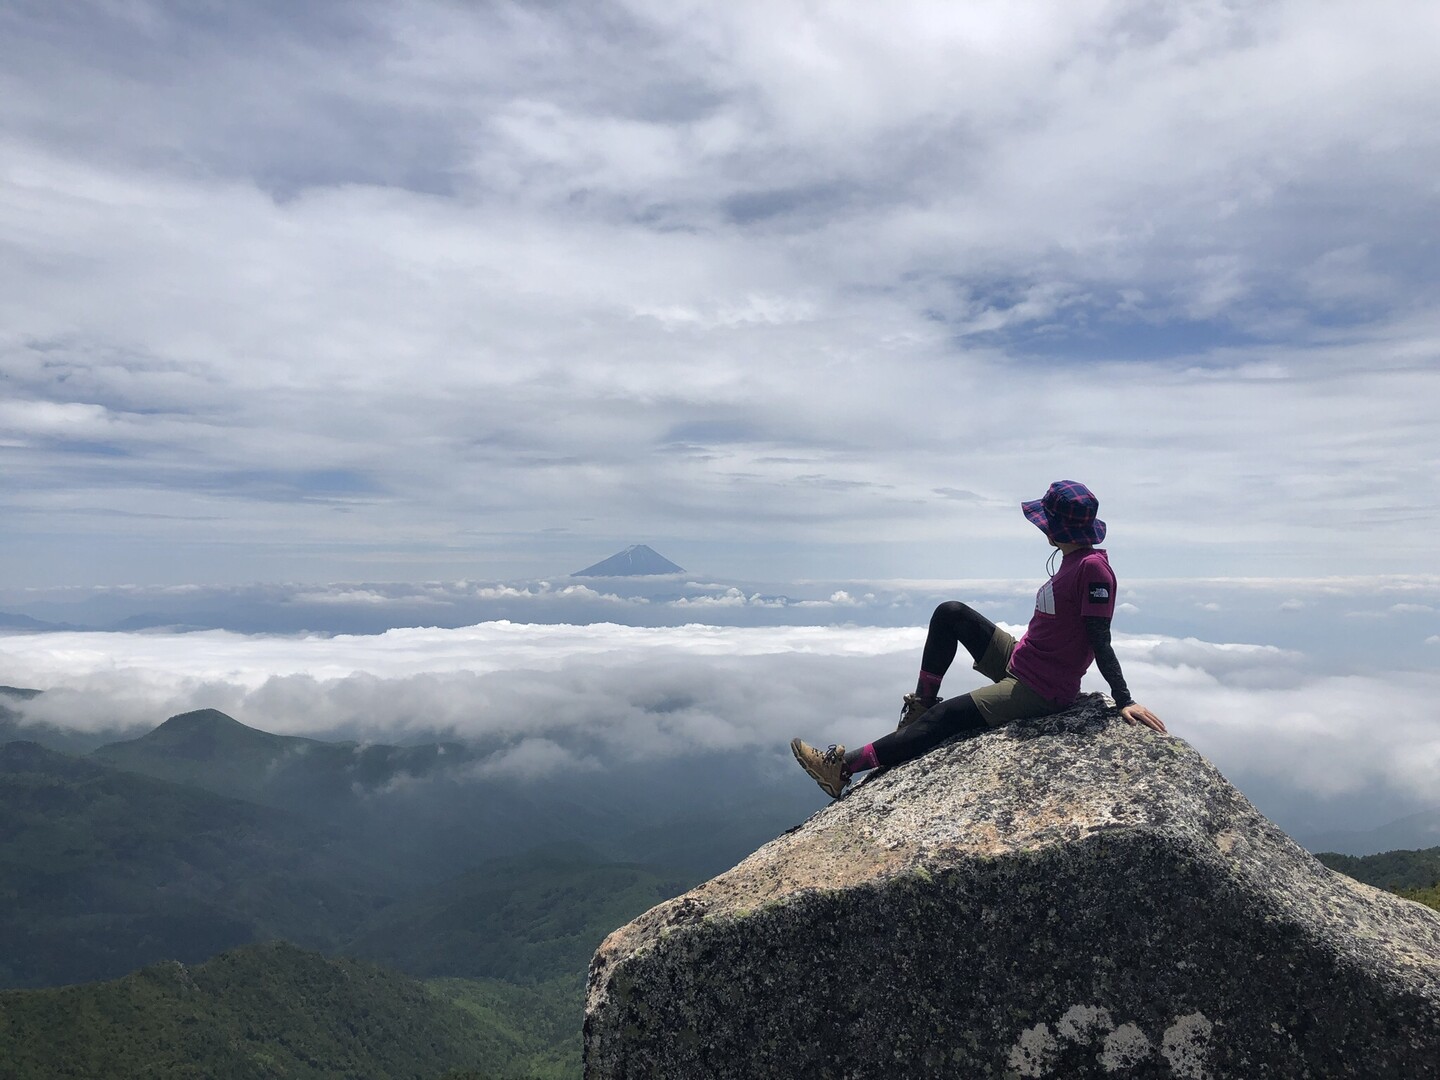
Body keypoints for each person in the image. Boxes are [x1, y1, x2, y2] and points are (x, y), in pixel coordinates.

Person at [791, 480, 1166, 799]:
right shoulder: (1072, 560)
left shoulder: (1093, 570)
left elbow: (1100, 639)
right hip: (1023, 657)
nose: (1042, 528)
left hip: (1040, 688)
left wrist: (1124, 699)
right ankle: (920, 704)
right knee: (950, 612)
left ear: (1058, 528)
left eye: (1046, 521)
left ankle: (842, 768)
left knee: (946, 718)